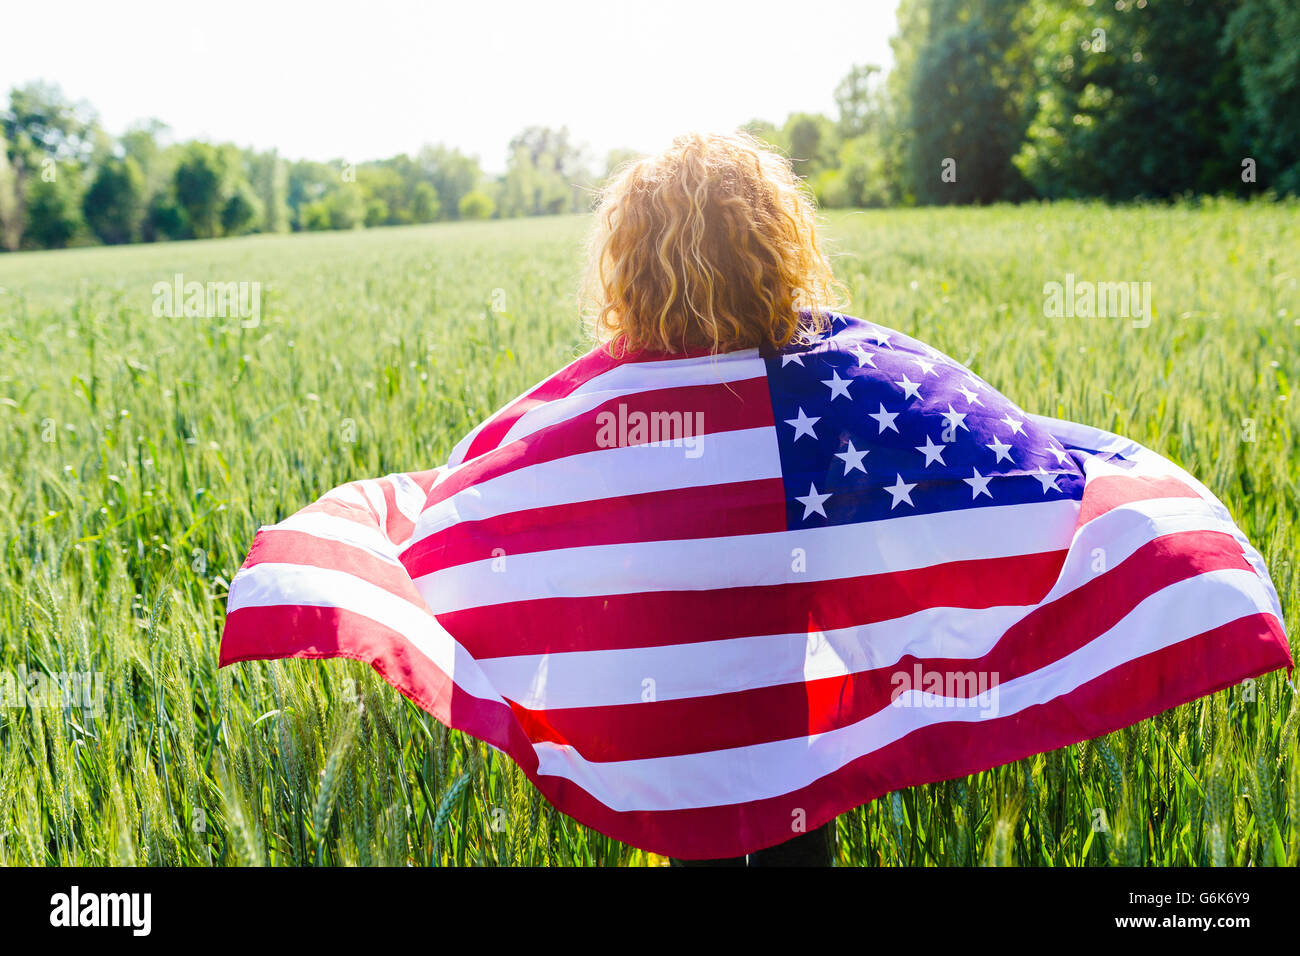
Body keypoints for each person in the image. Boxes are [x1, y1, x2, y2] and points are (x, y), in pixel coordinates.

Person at [583, 131, 847, 866]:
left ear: (632, 265)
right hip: (789, 726)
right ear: (769, 248)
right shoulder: (813, 392)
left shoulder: (612, 410)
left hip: (673, 725)